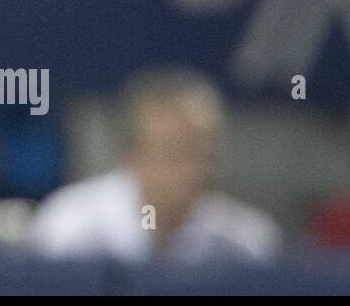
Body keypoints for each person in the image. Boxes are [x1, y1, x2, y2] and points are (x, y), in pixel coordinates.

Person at [31, 68, 280, 264]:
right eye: (171, 152)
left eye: (201, 152)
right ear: (129, 157)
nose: (190, 170)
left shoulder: (247, 241)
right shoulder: (70, 225)